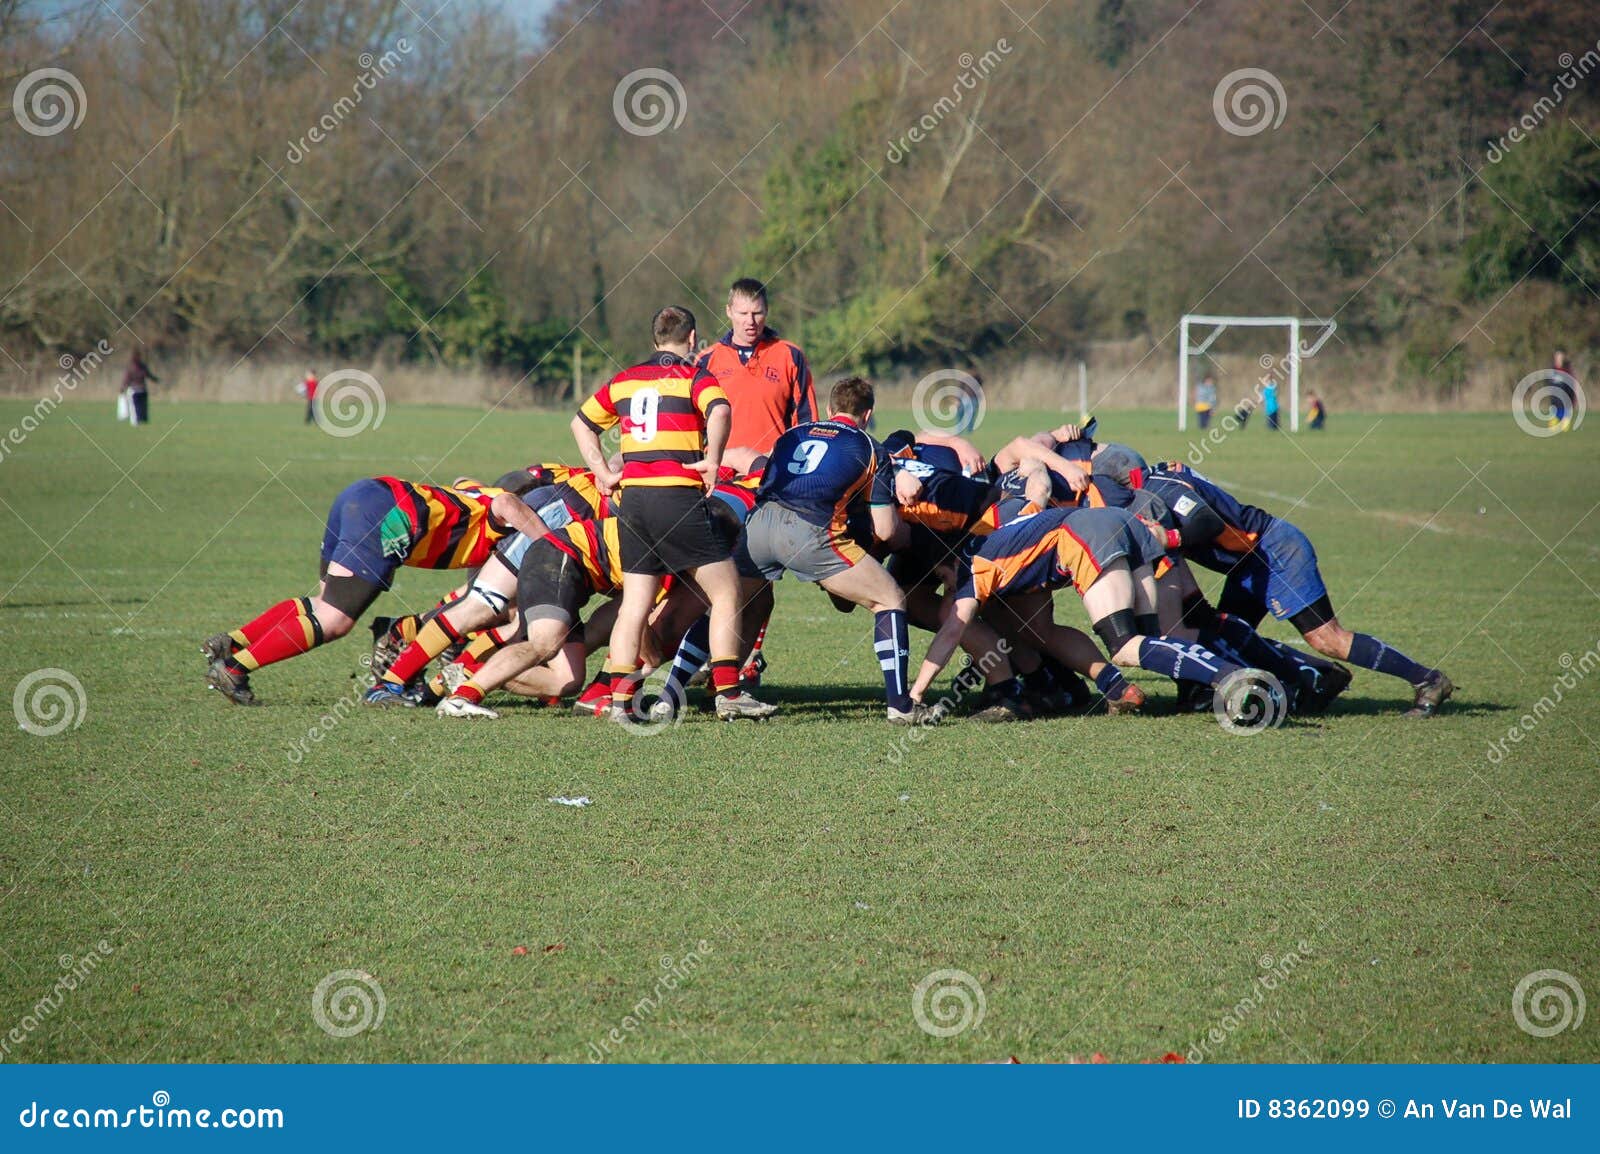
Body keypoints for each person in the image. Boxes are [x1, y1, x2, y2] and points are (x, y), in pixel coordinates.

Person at [572, 304, 774, 724]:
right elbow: (720, 410)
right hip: (676, 497)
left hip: (634, 503)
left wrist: (601, 471)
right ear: (694, 339)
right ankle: (730, 693)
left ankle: (621, 701)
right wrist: (713, 460)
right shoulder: (694, 376)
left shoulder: (625, 380)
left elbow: (581, 423)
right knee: (727, 591)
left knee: (635, 602)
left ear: (653, 341)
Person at [907, 505, 1275, 725]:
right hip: (1122, 523)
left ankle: (1230, 676)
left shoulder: (973, 566)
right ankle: (1117, 689)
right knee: (1146, 643)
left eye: (944, 579)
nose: (949, 589)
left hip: (1087, 534)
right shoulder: (994, 541)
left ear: (948, 562)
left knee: (1125, 646)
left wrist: (917, 692)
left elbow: (952, 630)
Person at [201, 476, 549, 706]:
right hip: (389, 517)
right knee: (334, 620)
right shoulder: (504, 511)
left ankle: (233, 642)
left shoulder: (478, 500)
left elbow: (464, 482)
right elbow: (507, 504)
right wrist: (552, 543)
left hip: (364, 494)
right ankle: (234, 668)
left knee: (323, 602)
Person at [1139, 462, 1452, 716]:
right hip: (1248, 562)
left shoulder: (1157, 489)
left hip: (1274, 550)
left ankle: (1428, 680)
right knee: (1228, 634)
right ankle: (1313, 680)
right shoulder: (1150, 484)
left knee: (1328, 638)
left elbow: (1208, 523)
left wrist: (1171, 540)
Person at [726, 377, 939, 725]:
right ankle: (901, 705)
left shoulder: (793, 433)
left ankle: (683, 693)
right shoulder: (871, 447)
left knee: (735, 603)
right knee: (889, 599)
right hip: (809, 534)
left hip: (758, 526)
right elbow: (885, 529)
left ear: (829, 409)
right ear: (867, 414)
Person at [695, 278, 816, 457]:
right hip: (724, 472)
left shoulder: (790, 355)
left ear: (767, 311)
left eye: (757, 313)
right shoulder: (706, 360)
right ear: (729, 312)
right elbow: (695, 422)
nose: (750, 321)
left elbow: (807, 419)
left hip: (774, 469)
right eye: (743, 313)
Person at [122, 350, 158, 426]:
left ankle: (142, 420)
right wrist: (123, 387)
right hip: (133, 391)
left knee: (142, 407)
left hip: (142, 390)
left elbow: (149, 375)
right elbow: (127, 379)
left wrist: (155, 379)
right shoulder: (131, 367)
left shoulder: (142, 366)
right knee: (133, 408)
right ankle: (135, 422)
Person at [1552, 351, 1578, 432]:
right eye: (1557, 357)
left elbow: (1571, 384)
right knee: (1556, 415)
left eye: (1560, 358)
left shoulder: (1566, 371)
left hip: (1566, 396)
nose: (1558, 359)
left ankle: (1564, 430)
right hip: (1555, 398)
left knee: (1566, 415)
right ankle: (1555, 431)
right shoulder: (1552, 370)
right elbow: (1548, 383)